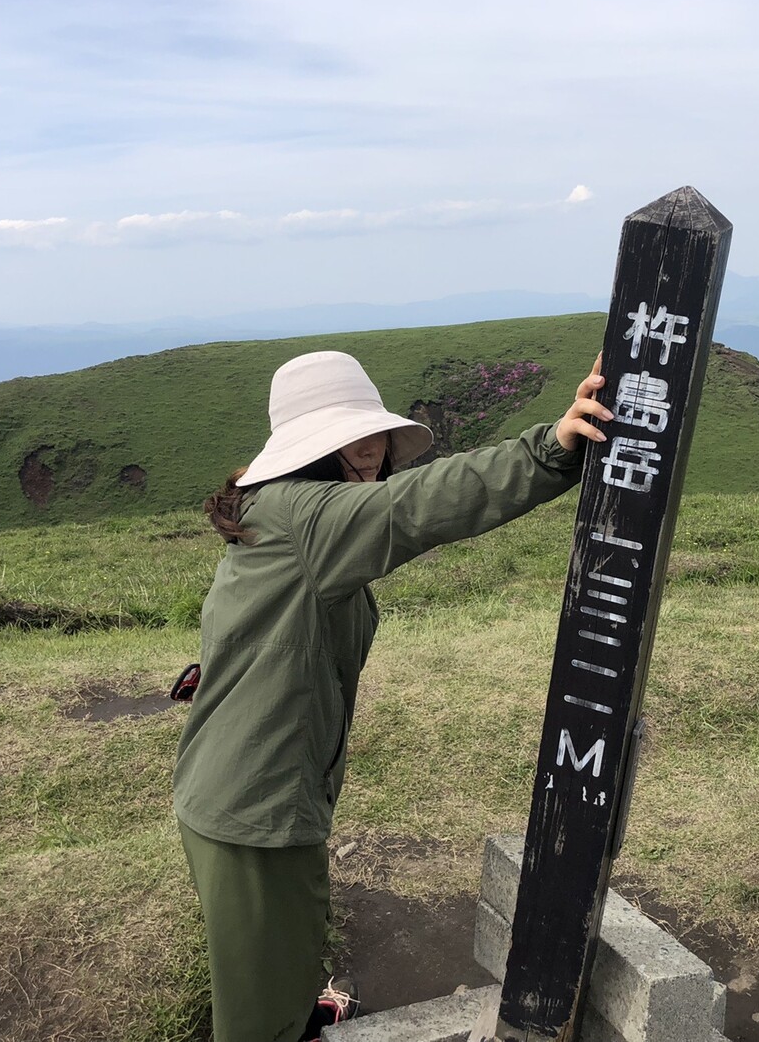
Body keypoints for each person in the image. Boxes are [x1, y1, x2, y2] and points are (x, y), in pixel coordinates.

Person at [173, 349, 612, 1042]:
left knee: (278, 945)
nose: (373, 448)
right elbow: (425, 503)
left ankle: (293, 1005)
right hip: (253, 807)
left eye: (371, 432)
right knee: (257, 1013)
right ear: (310, 450)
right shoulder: (309, 516)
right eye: (350, 438)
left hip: (235, 788)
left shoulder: (273, 513)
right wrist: (551, 446)